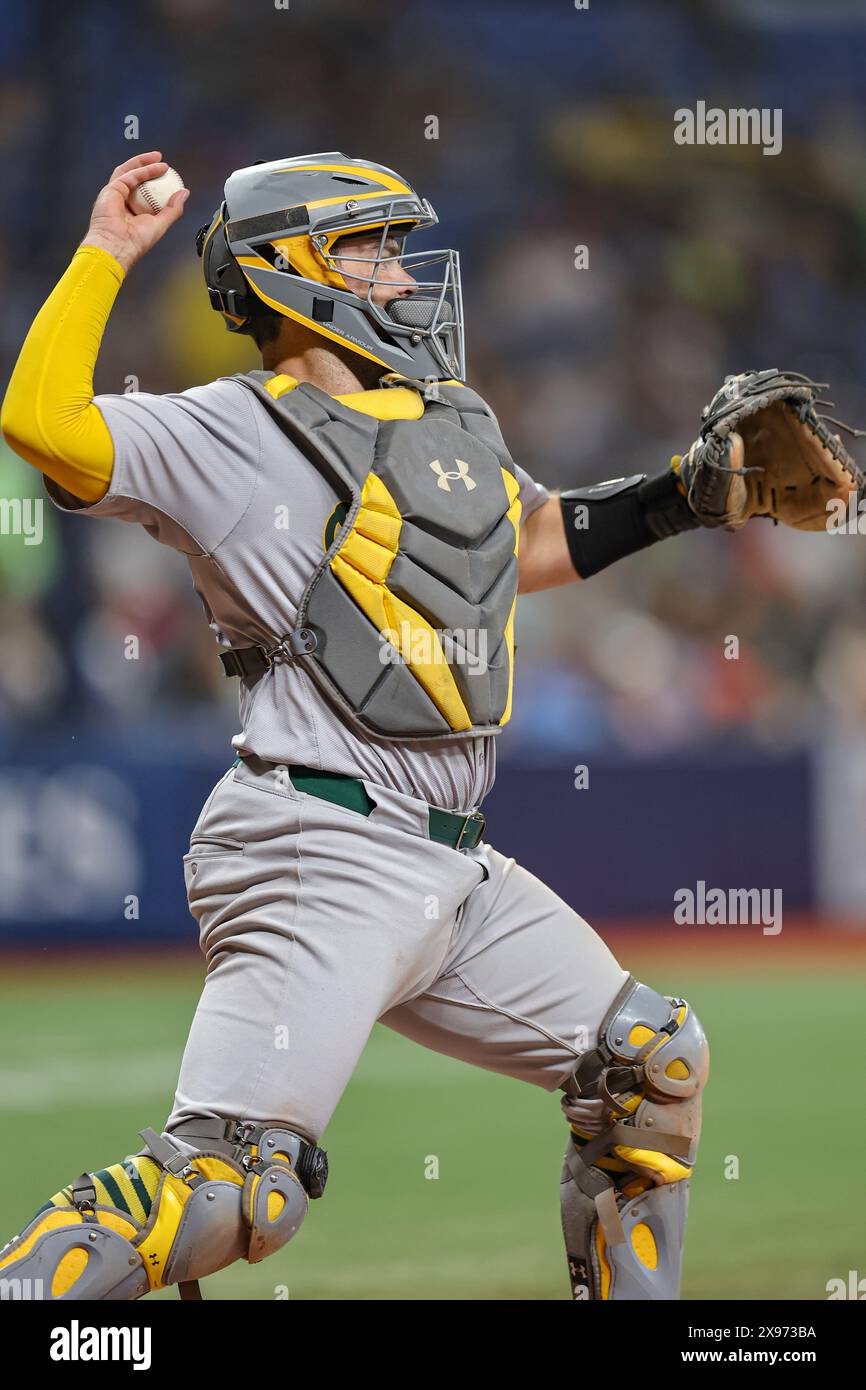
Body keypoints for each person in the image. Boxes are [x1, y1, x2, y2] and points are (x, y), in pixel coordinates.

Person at [0, 151, 730, 1301]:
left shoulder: (446, 415)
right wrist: (105, 252)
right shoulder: (228, 429)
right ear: (292, 273)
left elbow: (522, 544)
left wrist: (677, 495)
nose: (400, 271)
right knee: (232, 1188)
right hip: (316, 844)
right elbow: (39, 423)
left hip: (451, 867)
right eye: (369, 247)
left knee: (648, 1060)